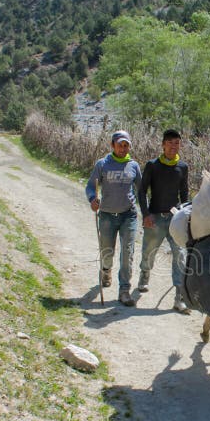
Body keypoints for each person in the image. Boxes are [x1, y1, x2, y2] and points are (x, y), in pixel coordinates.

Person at [137, 128, 190, 314]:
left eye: (177, 143)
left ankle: (179, 298)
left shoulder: (182, 167)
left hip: (175, 218)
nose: (174, 147)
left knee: (180, 256)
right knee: (148, 251)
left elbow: (184, 194)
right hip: (155, 217)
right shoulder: (153, 165)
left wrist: (186, 214)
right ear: (163, 145)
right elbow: (142, 191)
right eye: (171, 143)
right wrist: (146, 214)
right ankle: (144, 275)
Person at [86, 130, 141, 306]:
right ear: (112, 145)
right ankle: (106, 269)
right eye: (120, 145)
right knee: (107, 250)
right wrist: (92, 199)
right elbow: (90, 186)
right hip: (107, 215)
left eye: (126, 145)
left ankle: (124, 290)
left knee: (128, 253)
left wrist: (147, 212)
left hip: (128, 215)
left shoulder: (134, 166)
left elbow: (141, 190)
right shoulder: (102, 164)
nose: (123, 149)